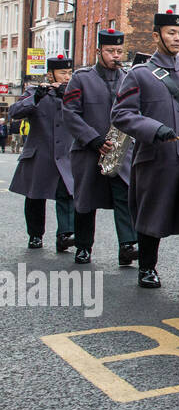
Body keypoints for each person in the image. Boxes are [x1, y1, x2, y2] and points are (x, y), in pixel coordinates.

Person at [111, 11, 179, 291]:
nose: (177, 38)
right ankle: (147, 267)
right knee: (151, 215)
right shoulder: (139, 75)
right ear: (156, 36)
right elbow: (121, 114)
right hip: (156, 158)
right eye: (171, 33)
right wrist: (153, 129)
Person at [62, 29, 139, 266]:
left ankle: (127, 245)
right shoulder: (81, 78)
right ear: (98, 51)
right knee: (85, 201)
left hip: (120, 150)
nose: (115, 56)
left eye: (119, 51)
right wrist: (93, 139)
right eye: (110, 51)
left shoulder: (129, 78)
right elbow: (70, 112)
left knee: (124, 197)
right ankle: (84, 247)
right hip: (88, 151)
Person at [9, 56, 76, 251]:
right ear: (51, 74)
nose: (67, 77)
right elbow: (15, 112)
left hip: (64, 153)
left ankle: (65, 234)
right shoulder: (34, 91)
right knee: (35, 196)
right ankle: (35, 235)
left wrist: (67, 96)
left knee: (67, 194)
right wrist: (36, 97)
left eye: (69, 73)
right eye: (63, 73)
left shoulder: (72, 94)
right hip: (40, 153)